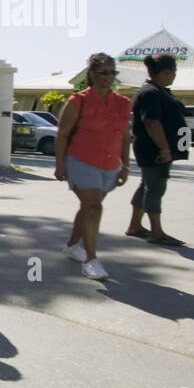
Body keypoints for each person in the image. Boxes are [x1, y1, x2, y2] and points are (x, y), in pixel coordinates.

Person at [54, 53, 132, 280]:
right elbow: (62, 134)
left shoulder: (122, 102)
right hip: (82, 161)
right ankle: (91, 260)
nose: (109, 77)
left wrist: (125, 166)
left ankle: (71, 246)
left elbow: (125, 137)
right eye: (103, 72)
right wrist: (60, 165)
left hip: (109, 164)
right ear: (92, 74)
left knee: (89, 208)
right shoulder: (78, 100)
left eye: (112, 72)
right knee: (94, 207)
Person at [126, 53, 187, 247]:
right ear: (166, 72)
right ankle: (156, 232)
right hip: (155, 150)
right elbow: (152, 122)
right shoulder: (151, 93)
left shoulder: (155, 91)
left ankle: (135, 226)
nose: (174, 75)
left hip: (153, 149)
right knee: (156, 188)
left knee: (146, 185)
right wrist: (165, 149)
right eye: (173, 71)